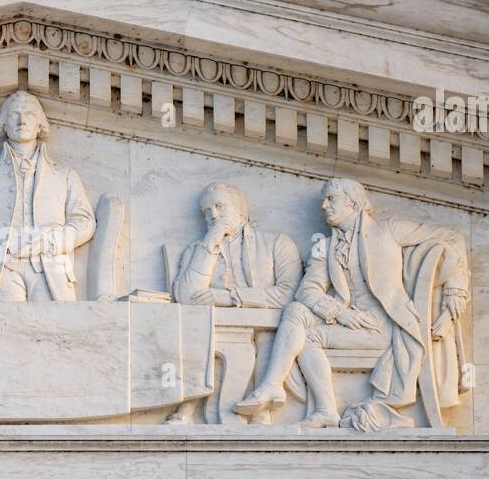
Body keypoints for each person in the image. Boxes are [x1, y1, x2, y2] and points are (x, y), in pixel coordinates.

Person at [236, 178, 469, 429]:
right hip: (348, 322)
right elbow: (307, 291)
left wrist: (456, 290)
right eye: (323, 201)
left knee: (306, 336)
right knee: (296, 310)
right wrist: (340, 313)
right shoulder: (323, 248)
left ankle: (297, 397)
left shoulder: (390, 230)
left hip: (385, 328)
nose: (324, 206)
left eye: (331, 199)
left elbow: (452, 238)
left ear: (353, 202)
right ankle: (290, 394)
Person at [0, 91, 95, 303]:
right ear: (4, 123)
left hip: (51, 269)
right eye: (14, 114)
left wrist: (53, 239)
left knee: (56, 332)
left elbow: (85, 221)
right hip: (0, 268)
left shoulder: (64, 175)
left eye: (29, 114)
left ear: (39, 122)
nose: (22, 120)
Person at [167, 182, 302, 424]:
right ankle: (187, 410)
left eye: (219, 206)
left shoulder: (276, 243)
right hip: (211, 329)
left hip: (261, 329)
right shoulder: (197, 249)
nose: (213, 215)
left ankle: (260, 412)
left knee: (268, 338)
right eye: (206, 211)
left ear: (240, 208)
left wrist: (230, 296)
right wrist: (211, 242)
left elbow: (289, 294)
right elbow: (186, 297)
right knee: (193, 331)